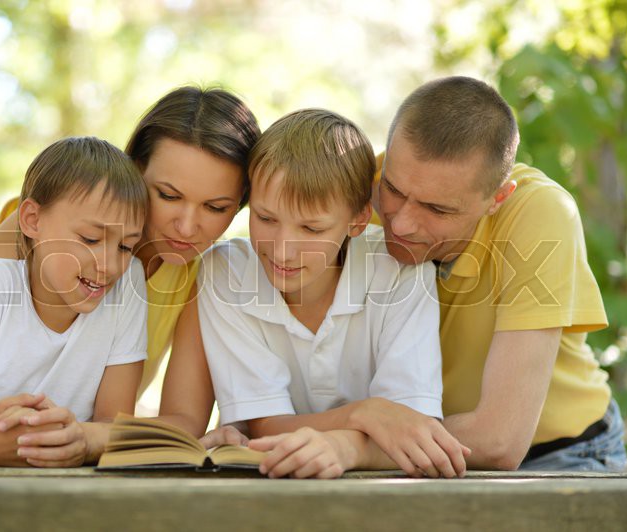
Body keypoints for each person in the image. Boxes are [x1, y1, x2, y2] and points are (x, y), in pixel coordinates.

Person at [0, 86, 260, 467]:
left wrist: (85, 439)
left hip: (69, 451)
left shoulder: (202, 273)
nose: (187, 227)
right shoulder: (41, 234)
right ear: (136, 171)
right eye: (169, 196)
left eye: (216, 207)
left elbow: (181, 421)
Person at [345, 76, 626, 471]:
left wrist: (352, 447)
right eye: (392, 189)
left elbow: (499, 440)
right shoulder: (357, 186)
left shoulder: (541, 212)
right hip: (414, 450)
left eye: (437, 210)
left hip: (558, 455)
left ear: (497, 199)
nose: (402, 223)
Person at [196, 109, 470, 479]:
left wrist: (355, 438)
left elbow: (410, 428)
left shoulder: (401, 272)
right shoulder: (225, 273)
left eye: (311, 228)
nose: (282, 250)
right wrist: (365, 414)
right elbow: (264, 425)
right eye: (265, 218)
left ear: (358, 219)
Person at [0, 137, 149, 466]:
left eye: (126, 247)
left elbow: (115, 425)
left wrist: (77, 438)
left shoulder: (128, 284)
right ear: (32, 220)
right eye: (91, 239)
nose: (110, 265)